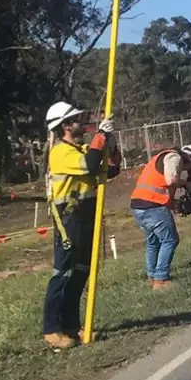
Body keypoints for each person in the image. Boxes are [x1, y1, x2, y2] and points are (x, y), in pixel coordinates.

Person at [42, 101, 119, 349]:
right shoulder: (60, 152)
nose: (82, 122)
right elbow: (89, 165)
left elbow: (111, 168)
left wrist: (111, 144)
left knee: (80, 273)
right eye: (76, 119)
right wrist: (101, 136)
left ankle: (72, 326)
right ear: (65, 126)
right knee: (63, 274)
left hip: (88, 217)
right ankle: (52, 329)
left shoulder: (83, 148)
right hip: (69, 219)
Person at [129, 144, 191, 288]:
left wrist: (172, 203)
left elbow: (165, 186)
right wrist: (187, 184)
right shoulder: (174, 157)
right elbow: (171, 181)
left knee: (153, 241)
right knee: (170, 240)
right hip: (152, 206)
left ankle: (152, 276)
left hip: (138, 205)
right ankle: (161, 280)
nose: (190, 169)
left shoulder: (163, 158)